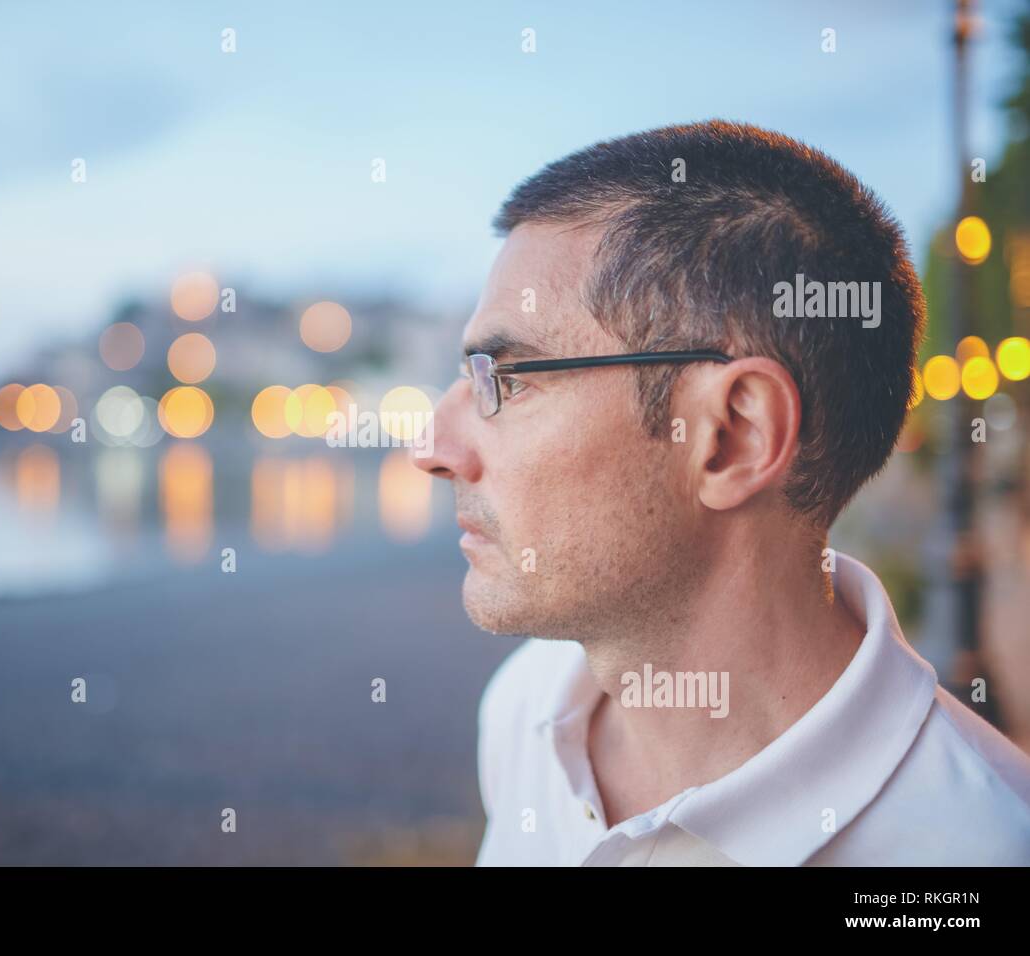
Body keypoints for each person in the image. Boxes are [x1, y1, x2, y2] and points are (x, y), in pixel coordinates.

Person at [414, 120, 1030, 866]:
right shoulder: (531, 710)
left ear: (733, 435)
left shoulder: (977, 849)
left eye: (503, 380)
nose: (432, 450)